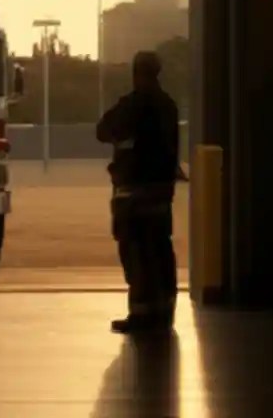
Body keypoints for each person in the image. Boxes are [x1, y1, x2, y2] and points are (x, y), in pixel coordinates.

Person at [96, 50, 182, 334]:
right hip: (161, 191)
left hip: (132, 190)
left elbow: (103, 130)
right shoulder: (169, 106)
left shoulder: (132, 105)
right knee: (160, 248)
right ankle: (165, 311)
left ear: (136, 73)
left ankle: (142, 314)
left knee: (135, 251)